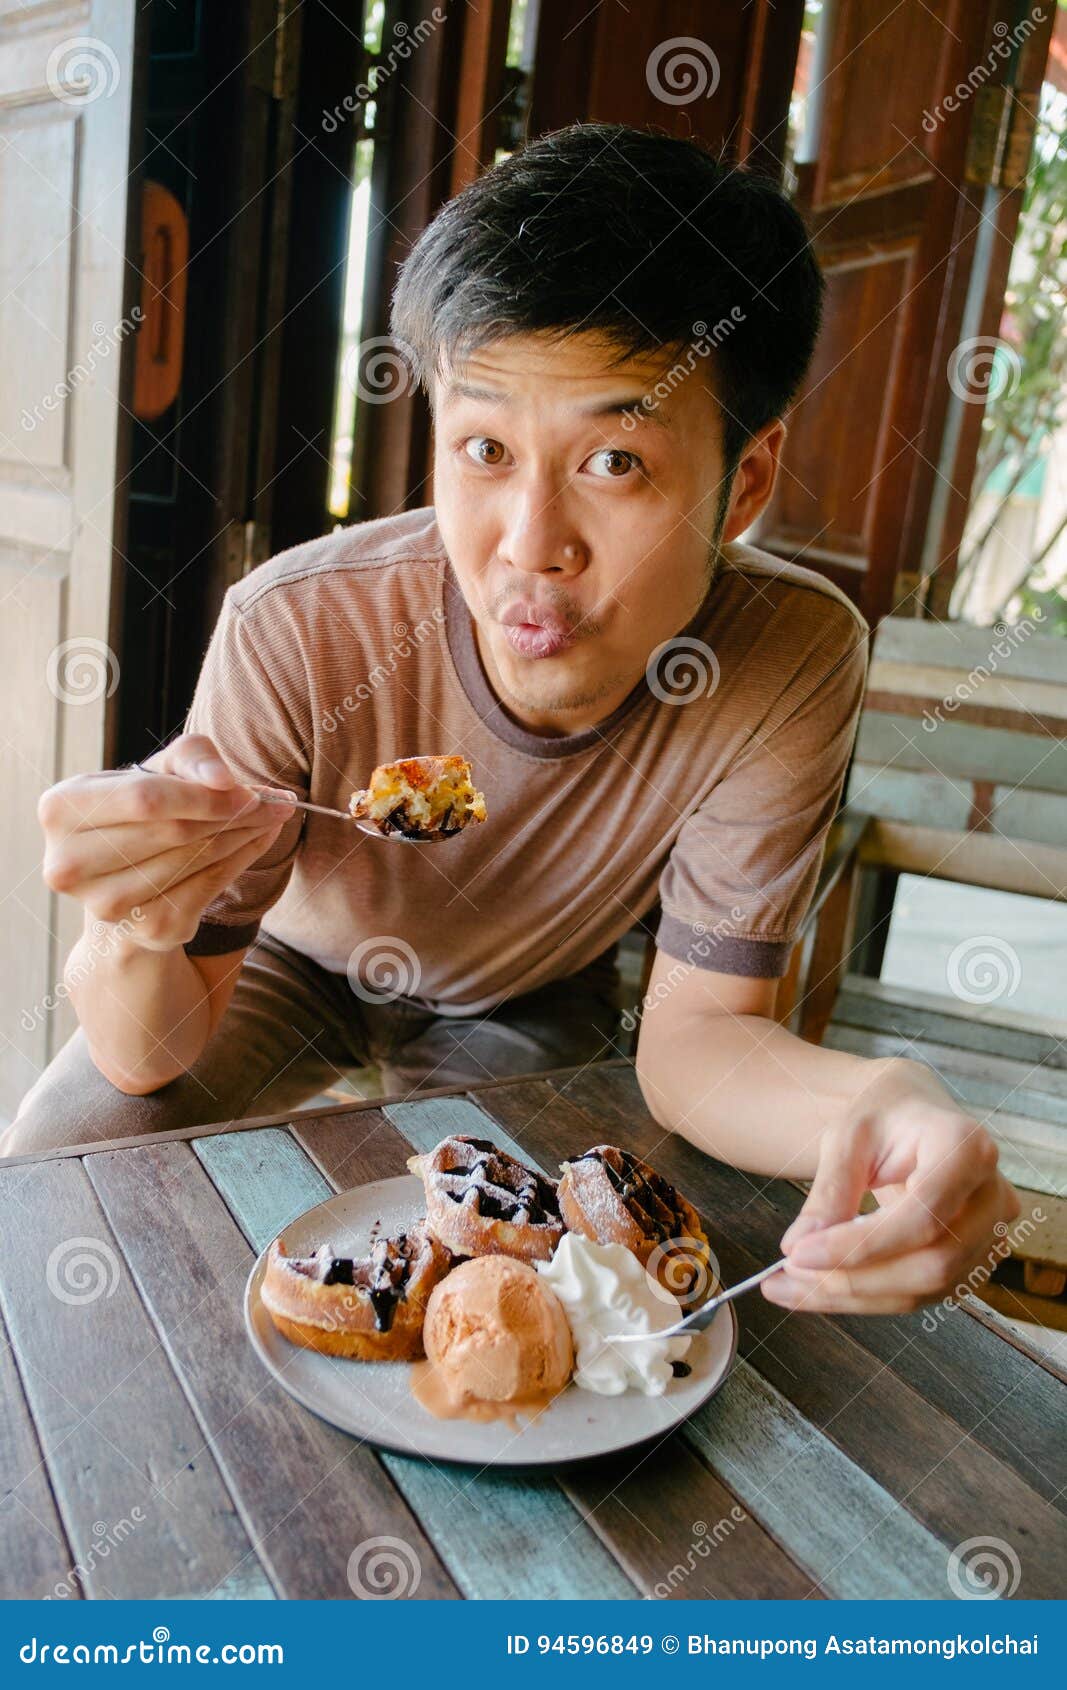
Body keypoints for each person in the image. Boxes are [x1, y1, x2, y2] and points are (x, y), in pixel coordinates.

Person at [6, 123, 1018, 1315]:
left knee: (533, 1269)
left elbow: (701, 1044)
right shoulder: (298, 627)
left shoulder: (786, 658)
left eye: (615, 462)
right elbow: (145, 1051)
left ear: (743, 482)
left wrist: (877, 1099)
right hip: (291, 954)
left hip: (533, 990)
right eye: (483, 447)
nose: (529, 545)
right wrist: (130, 929)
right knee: (59, 1154)